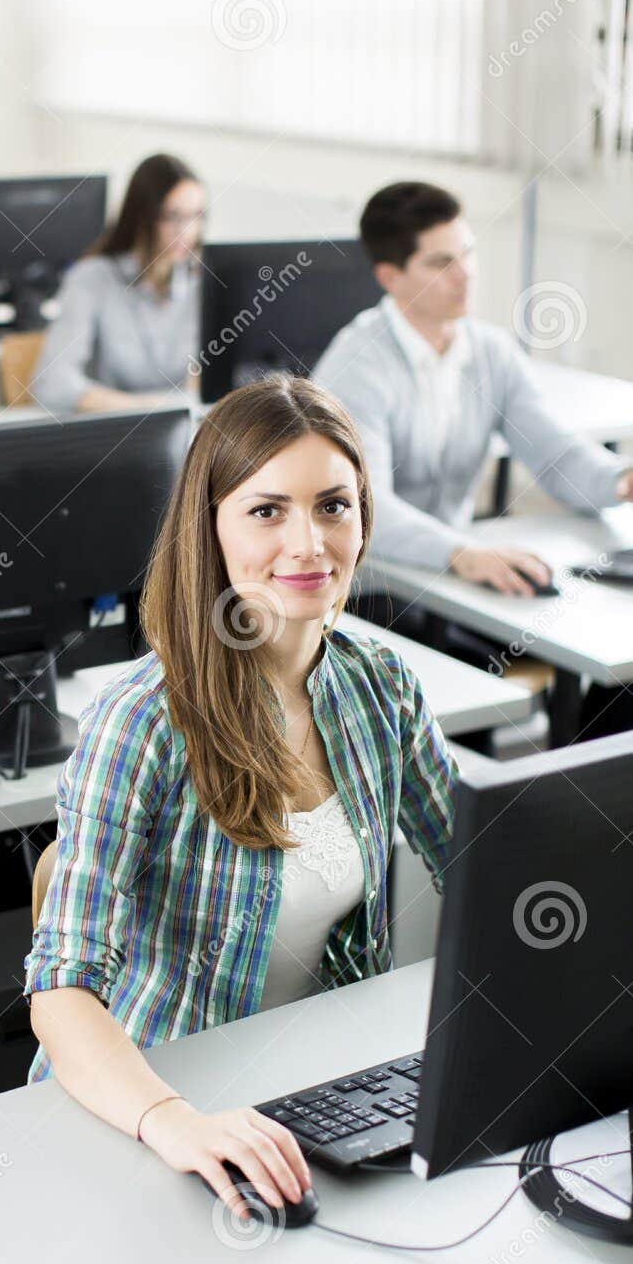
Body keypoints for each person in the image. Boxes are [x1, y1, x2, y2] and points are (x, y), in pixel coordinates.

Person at [24, 377, 456, 1218]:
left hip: (310, 1088)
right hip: (149, 1103)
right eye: (267, 511)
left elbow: (482, 862)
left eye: (334, 505)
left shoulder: (379, 686)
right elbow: (59, 990)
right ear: (210, 527)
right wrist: (171, 1122)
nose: (309, 542)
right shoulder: (140, 722)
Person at [313, 182, 633, 740]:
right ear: (391, 277)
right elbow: (365, 509)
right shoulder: (358, 362)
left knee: (615, 682)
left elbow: (552, 454)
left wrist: (620, 479)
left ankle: (583, 815)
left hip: (453, 580)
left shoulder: (490, 352)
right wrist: (463, 552)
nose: (466, 274)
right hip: (369, 590)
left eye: (468, 253)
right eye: (442, 262)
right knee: (480, 686)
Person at [30, 153, 205, 415]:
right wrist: (147, 409)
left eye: (196, 216)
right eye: (172, 216)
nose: (187, 231)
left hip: (185, 436)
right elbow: (51, 383)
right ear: (142, 217)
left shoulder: (200, 283)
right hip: (111, 435)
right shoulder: (91, 279)